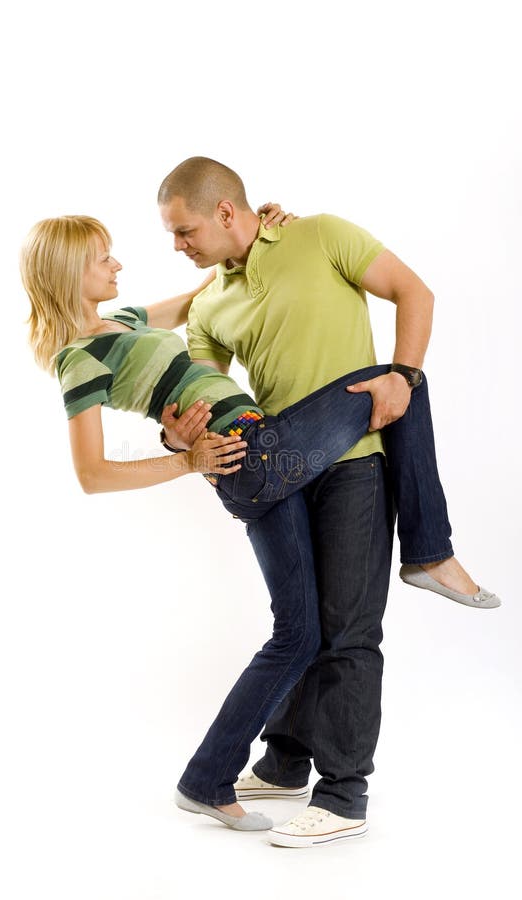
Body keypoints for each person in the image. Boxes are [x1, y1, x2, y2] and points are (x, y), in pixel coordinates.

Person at [21, 208, 499, 844]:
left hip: (261, 459)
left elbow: (205, 293)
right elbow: (91, 474)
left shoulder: (125, 321)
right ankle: (432, 552)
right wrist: (184, 457)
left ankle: (209, 779)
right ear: (66, 272)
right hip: (252, 454)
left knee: (300, 633)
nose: (118, 265)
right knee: (385, 379)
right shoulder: (78, 361)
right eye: (102, 257)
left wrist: (264, 225)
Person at [156, 157, 500, 848]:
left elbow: (413, 291)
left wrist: (402, 376)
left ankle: (344, 795)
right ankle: (285, 763)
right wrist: (177, 437)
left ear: (227, 212)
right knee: (300, 626)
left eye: (184, 230)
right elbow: (205, 398)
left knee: (348, 632)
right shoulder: (210, 307)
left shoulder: (321, 236)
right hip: (281, 470)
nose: (177, 246)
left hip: (353, 468)